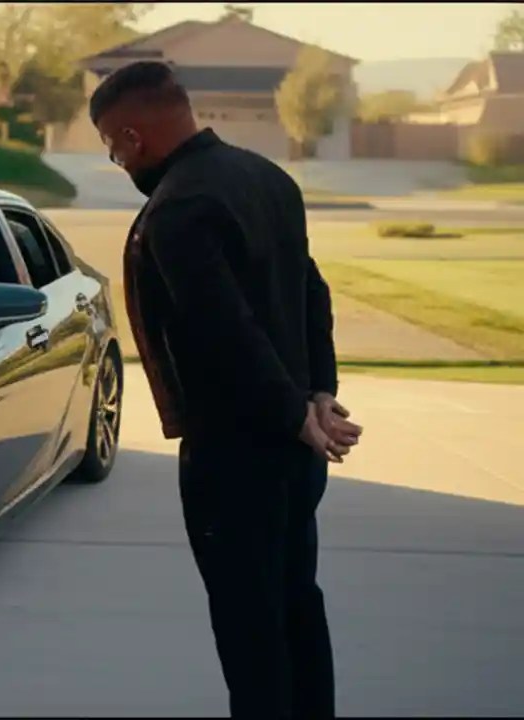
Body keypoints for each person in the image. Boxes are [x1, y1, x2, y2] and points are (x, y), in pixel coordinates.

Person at [87, 61, 364, 718]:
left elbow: (225, 330)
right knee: (298, 603)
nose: (113, 157)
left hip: (237, 455)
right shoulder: (267, 178)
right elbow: (311, 294)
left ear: (133, 135)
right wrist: (317, 394)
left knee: (249, 633)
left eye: (110, 144)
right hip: (295, 453)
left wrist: (293, 412)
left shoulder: (181, 208)